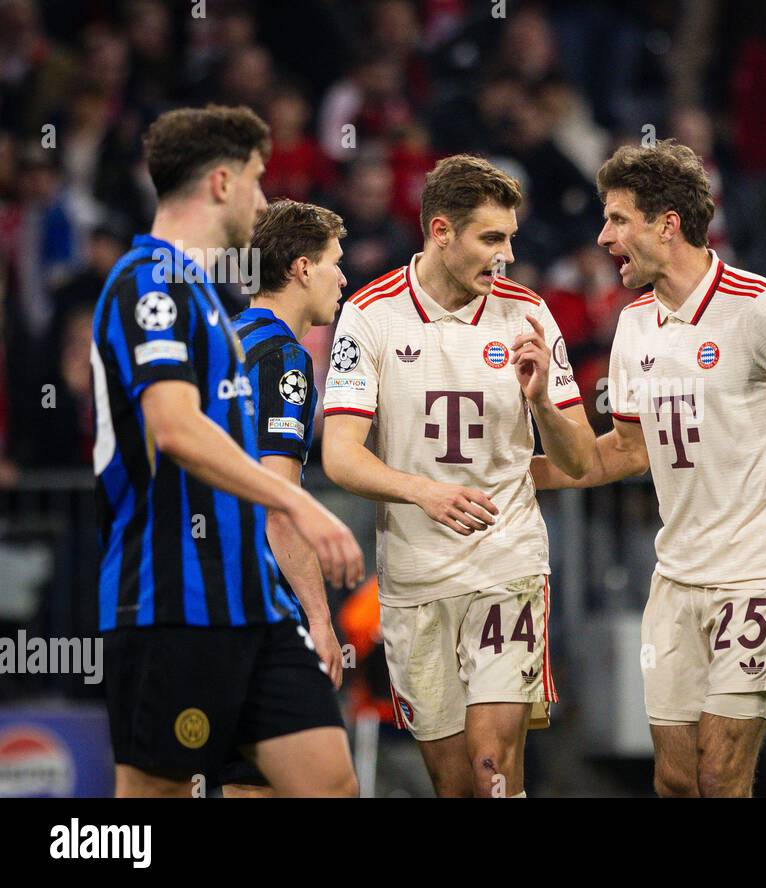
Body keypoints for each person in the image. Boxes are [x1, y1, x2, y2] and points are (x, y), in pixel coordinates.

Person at [530, 141, 766, 798]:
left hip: (761, 573)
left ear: (668, 223)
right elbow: (626, 452)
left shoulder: (762, 309)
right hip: (679, 576)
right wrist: (520, 473)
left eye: (618, 220)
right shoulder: (634, 326)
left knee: (722, 772)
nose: (604, 238)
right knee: (676, 778)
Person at [92, 105, 364, 798]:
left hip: (253, 604)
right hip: (173, 598)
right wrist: (302, 508)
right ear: (220, 183)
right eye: (256, 179)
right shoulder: (146, 283)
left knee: (329, 784)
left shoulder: (214, 303)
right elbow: (175, 430)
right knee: (153, 799)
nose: (264, 200)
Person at [322, 155, 596, 798]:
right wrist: (426, 492)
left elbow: (580, 460)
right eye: (490, 239)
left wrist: (543, 405)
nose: (504, 257)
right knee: (453, 785)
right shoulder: (370, 315)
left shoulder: (528, 314)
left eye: (510, 240)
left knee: (492, 768)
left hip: (507, 562)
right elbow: (339, 454)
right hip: (414, 578)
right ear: (440, 231)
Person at [220, 198, 352, 797]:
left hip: (200, 599)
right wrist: (320, 621)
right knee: (333, 788)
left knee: (253, 787)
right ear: (301, 268)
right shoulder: (284, 361)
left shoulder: (221, 343)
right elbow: (280, 505)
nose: (343, 277)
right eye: (334, 262)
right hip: (257, 608)